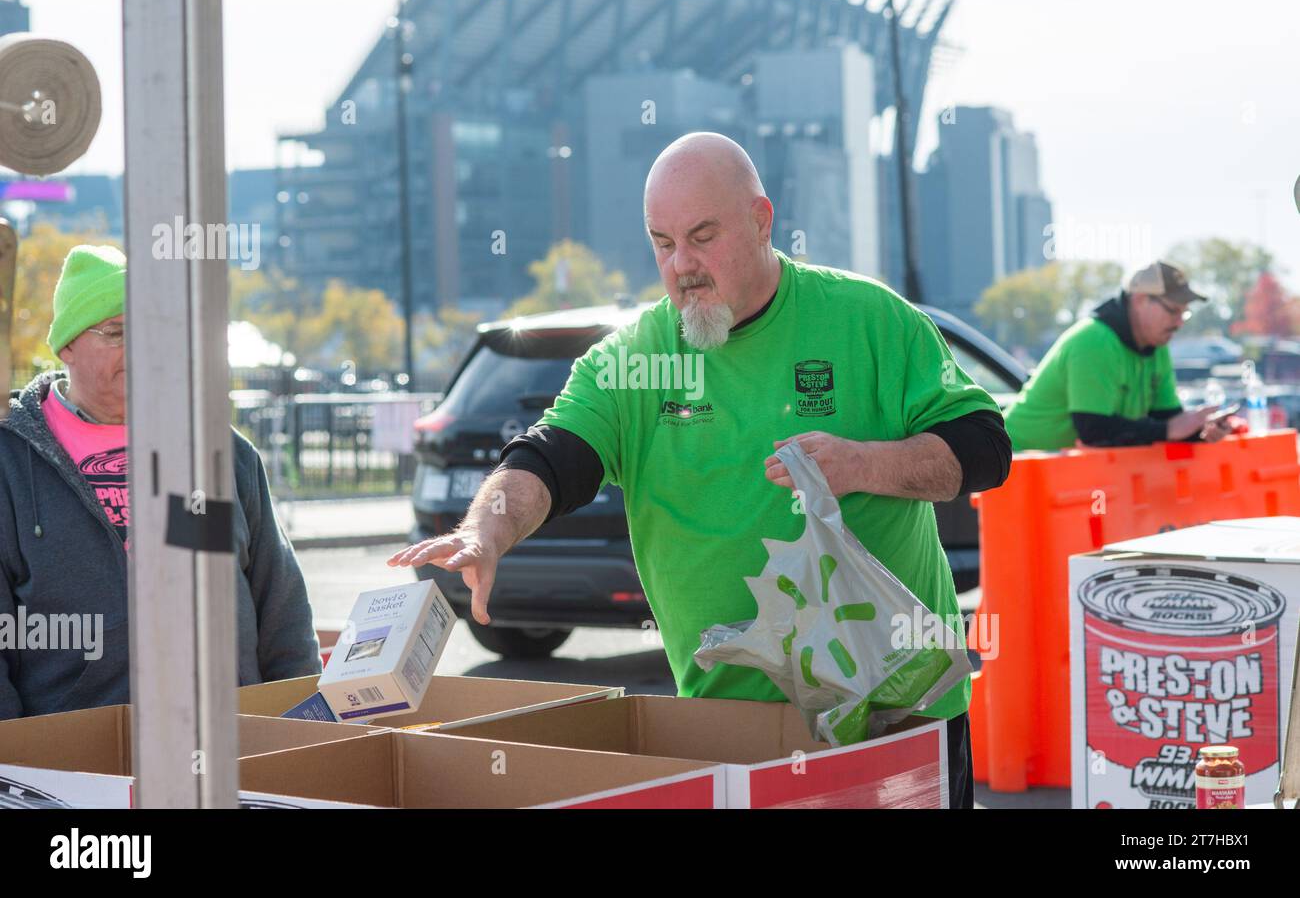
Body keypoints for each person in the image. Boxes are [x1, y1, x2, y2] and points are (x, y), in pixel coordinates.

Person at [388, 133, 1012, 808]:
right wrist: (486, 531)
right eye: (663, 243)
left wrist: (864, 463)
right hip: (730, 725)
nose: (682, 263)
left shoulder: (871, 320)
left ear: (761, 219)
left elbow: (984, 449)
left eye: (703, 236)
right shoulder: (634, 359)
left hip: (902, 707)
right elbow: (549, 455)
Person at [0, 244, 320, 720]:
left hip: (225, 741)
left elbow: (282, 609)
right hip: (75, 759)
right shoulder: (11, 460)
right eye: (117, 332)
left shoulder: (218, 450)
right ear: (67, 344)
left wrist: (301, 731)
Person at [1005, 261, 1236, 451]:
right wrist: (1169, 430)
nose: (1178, 323)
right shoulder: (1094, 339)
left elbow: (1168, 421)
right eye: (1173, 310)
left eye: (1184, 313)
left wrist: (1202, 431)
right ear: (1139, 300)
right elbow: (1094, 431)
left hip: (1053, 471)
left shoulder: (1157, 345)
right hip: (1010, 465)